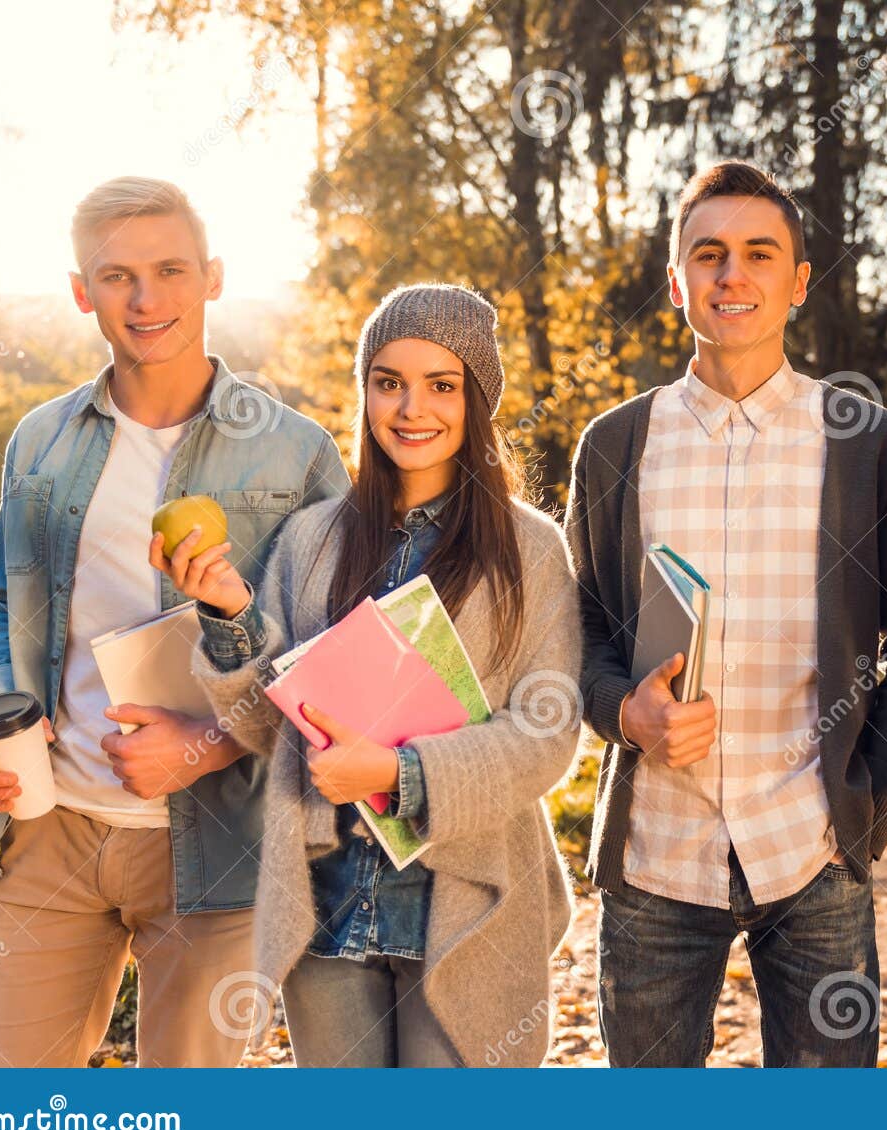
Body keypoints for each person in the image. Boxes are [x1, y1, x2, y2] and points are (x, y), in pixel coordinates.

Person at [0, 176, 350, 1067]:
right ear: (79, 292)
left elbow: (337, 652)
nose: (145, 299)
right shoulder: (41, 441)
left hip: (220, 847)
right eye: (116, 276)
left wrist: (211, 741)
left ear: (212, 277)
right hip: (49, 832)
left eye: (170, 269)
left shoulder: (296, 452)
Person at [566, 161, 887, 1067]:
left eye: (758, 254)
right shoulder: (617, 445)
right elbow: (571, 630)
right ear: (678, 282)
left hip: (809, 855)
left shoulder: (867, 442)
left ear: (797, 281)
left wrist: (863, 799)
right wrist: (623, 710)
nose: (732, 275)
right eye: (709, 255)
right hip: (657, 858)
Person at [172, 283, 581, 1068]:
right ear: (365, 393)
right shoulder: (310, 540)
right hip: (328, 905)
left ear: (478, 401)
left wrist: (399, 771)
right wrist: (230, 617)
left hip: (461, 903)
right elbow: (272, 730)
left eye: (442, 385)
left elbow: (547, 734)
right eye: (388, 381)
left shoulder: (530, 551)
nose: (410, 408)